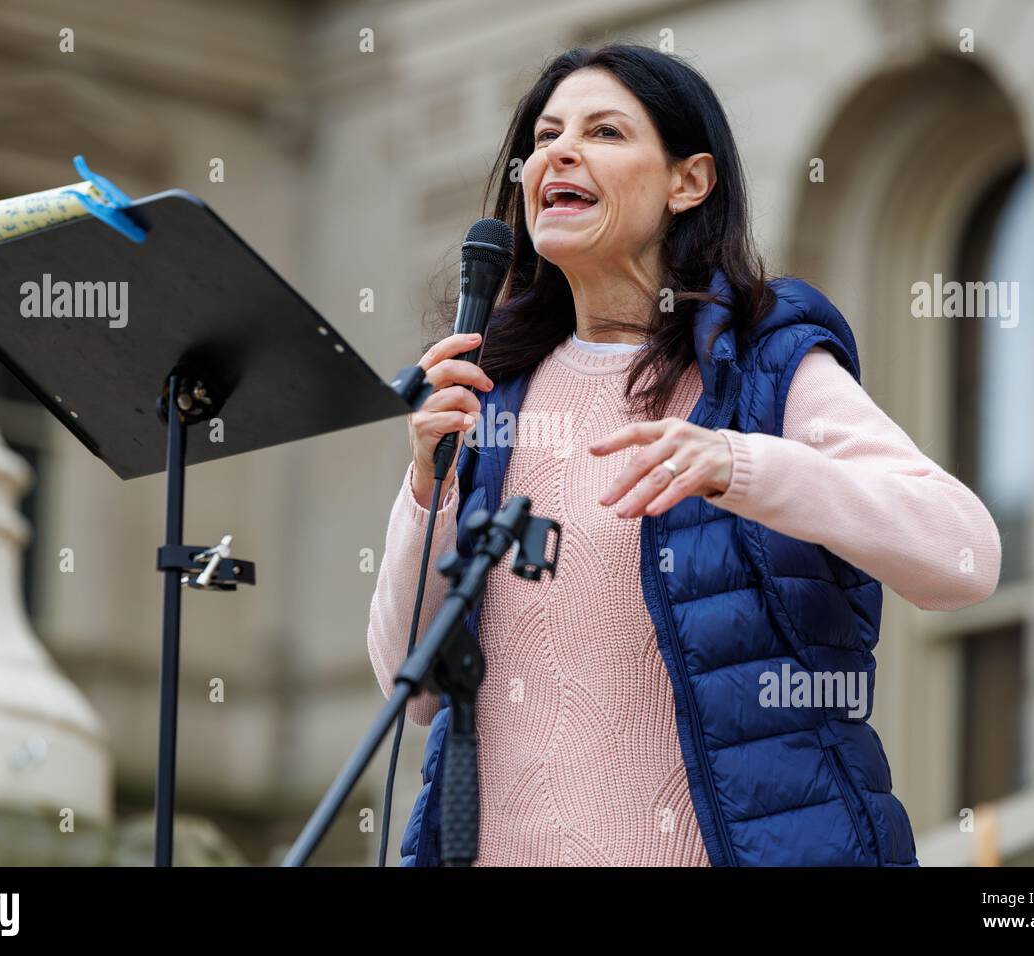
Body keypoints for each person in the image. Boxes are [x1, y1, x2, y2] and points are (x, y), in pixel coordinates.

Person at [368, 44, 1000, 866]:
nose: (559, 152)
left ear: (688, 182)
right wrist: (428, 488)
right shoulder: (489, 394)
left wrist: (741, 466)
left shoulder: (765, 367)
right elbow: (407, 690)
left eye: (603, 132)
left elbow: (965, 554)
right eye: (547, 135)